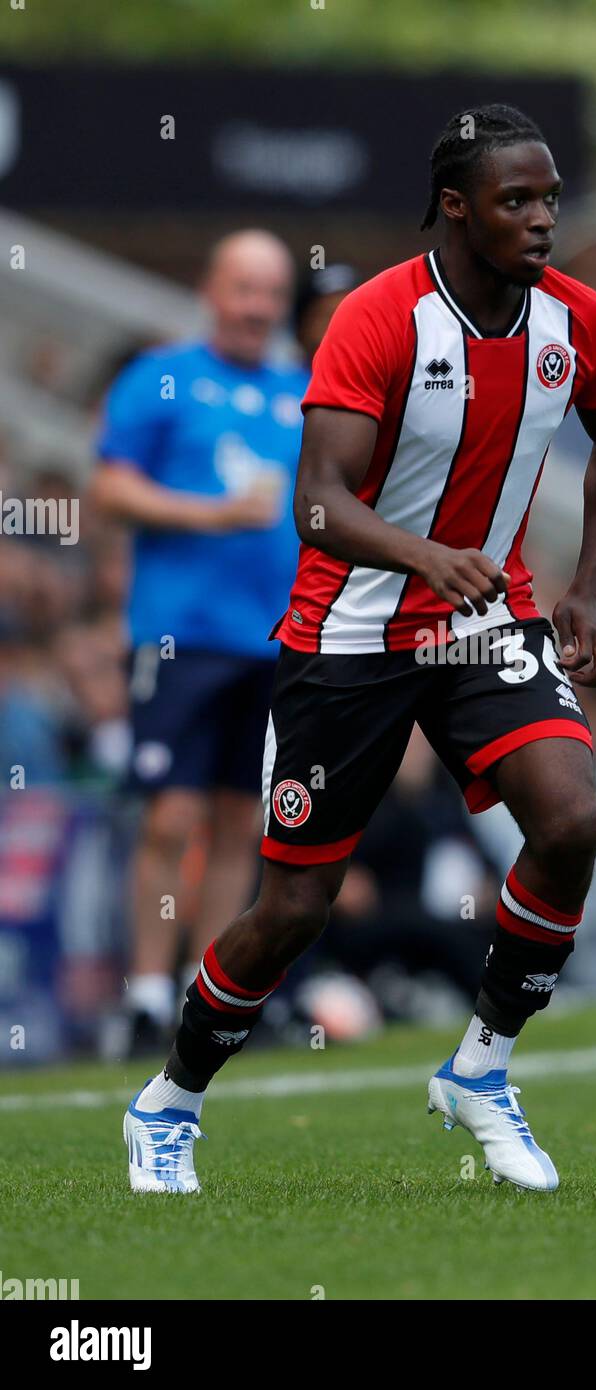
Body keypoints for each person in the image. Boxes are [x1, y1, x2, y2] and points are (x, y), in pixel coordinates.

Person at [123, 104, 596, 1194]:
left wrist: (590, 587)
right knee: (292, 912)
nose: (543, 219)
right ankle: (168, 1102)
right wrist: (427, 553)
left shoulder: (577, 322)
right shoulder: (378, 318)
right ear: (457, 207)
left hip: (482, 622)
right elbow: (316, 506)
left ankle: (481, 1070)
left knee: (572, 819)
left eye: (550, 198)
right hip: (347, 633)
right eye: (518, 200)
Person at [95, 230, 308, 1051]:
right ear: (211, 291)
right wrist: (208, 513)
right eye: (243, 288)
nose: (256, 306)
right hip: (181, 637)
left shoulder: (303, 388)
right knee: (168, 817)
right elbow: (107, 484)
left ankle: (202, 991)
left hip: (276, 641)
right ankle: (145, 992)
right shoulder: (162, 378)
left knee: (238, 818)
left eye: (270, 292)